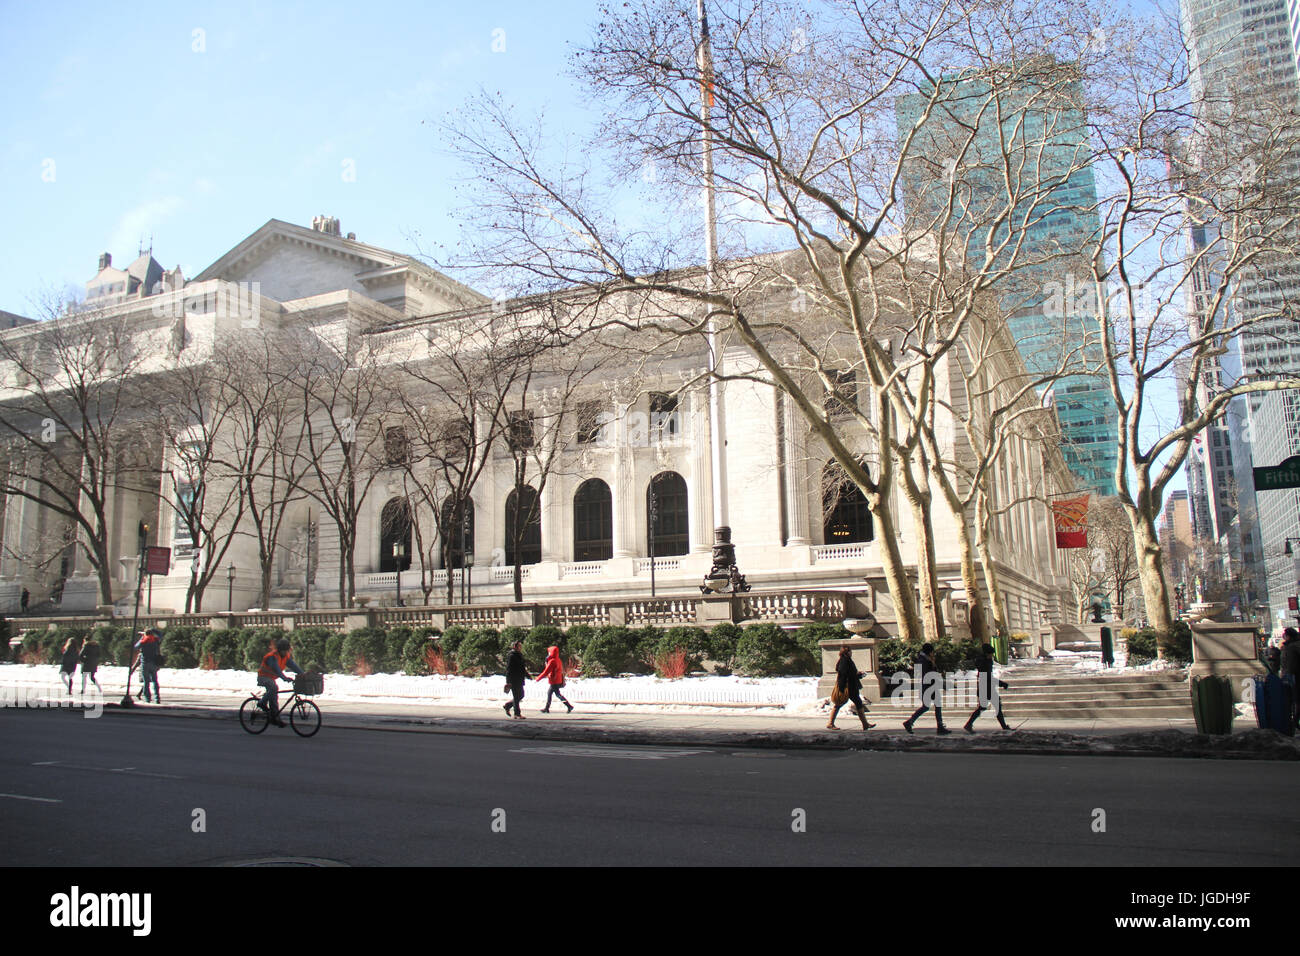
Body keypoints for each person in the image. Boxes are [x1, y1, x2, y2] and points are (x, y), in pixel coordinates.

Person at [902, 643, 950, 735]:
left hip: (926, 686)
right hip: (929, 686)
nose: (933, 654)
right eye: (932, 652)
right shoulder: (926, 661)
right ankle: (939, 727)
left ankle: (910, 722)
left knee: (928, 706)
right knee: (933, 705)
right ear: (930, 652)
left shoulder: (922, 659)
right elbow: (930, 673)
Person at [257, 637, 305, 727]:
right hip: (263, 677)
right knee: (274, 688)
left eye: (287, 650)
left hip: (271, 678)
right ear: (280, 650)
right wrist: (285, 678)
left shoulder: (285, 657)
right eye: (285, 650)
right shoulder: (272, 657)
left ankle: (275, 718)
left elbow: (294, 666)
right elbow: (277, 670)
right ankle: (261, 703)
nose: (287, 652)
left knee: (274, 698)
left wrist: (303, 674)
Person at [964, 643, 1010, 733]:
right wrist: (1001, 683)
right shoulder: (985, 663)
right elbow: (988, 677)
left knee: (984, 707)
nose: (992, 656)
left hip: (984, 687)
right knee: (994, 706)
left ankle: (968, 724)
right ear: (987, 654)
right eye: (991, 654)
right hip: (986, 688)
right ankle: (1004, 726)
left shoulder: (984, 662)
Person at [827, 645, 874, 731]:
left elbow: (847, 673)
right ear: (846, 652)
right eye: (850, 651)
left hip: (850, 686)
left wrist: (857, 674)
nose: (851, 652)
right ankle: (830, 723)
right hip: (848, 687)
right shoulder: (845, 661)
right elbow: (845, 674)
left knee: (854, 703)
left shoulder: (845, 660)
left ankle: (865, 724)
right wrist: (857, 675)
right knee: (842, 704)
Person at [536, 645, 573, 713]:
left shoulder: (552, 661)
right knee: (551, 693)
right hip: (558, 679)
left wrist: (538, 678)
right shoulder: (558, 659)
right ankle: (547, 708)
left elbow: (546, 671)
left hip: (554, 680)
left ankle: (568, 706)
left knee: (557, 694)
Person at [133, 628, 163, 703]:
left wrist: (142, 637)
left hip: (145, 663)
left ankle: (147, 698)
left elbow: (135, 647)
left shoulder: (143, 641)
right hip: (154, 663)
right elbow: (161, 634)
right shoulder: (155, 640)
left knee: (146, 682)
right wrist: (153, 630)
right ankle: (157, 698)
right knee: (155, 681)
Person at [1280, 627, 1300, 729]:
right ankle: (1295, 721)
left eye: (1285, 635)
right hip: (1292, 676)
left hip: (1295, 676)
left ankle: (1295, 721)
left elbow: (1290, 664)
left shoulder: (1293, 646)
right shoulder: (1291, 646)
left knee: (1296, 699)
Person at [503, 641, 529, 719]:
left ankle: (508, 705)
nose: (520, 647)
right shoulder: (512, 655)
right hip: (513, 679)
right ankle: (517, 714)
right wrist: (508, 681)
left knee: (521, 695)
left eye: (521, 646)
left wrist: (527, 675)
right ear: (515, 646)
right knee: (516, 696)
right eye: (519, 646)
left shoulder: (519, 655)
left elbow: (522, 667)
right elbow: (509, 669)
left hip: (520, 678)